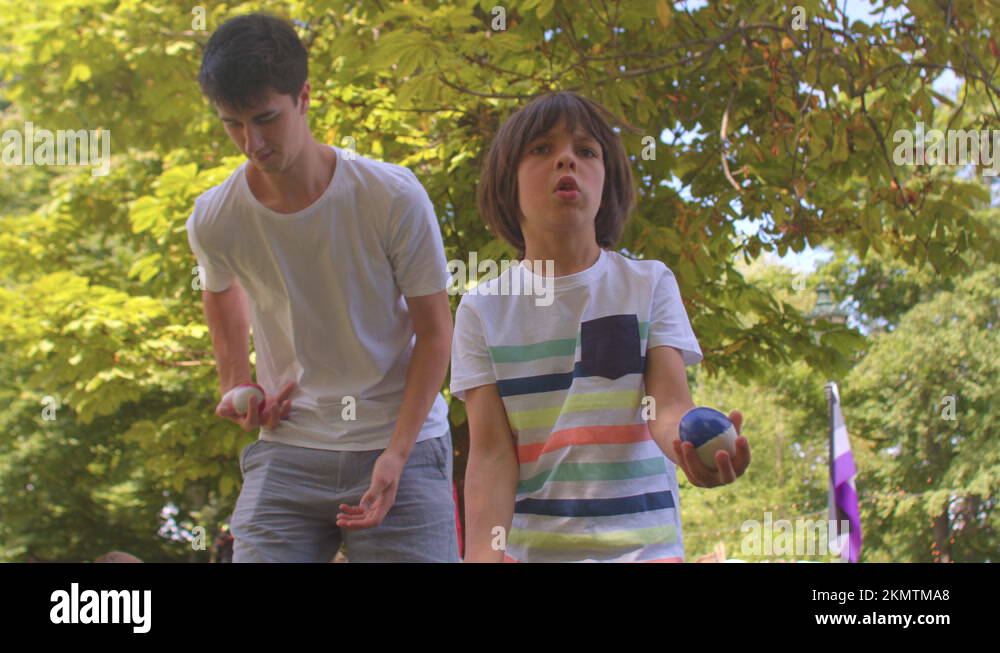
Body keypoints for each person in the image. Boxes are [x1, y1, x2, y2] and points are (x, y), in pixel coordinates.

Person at [187, 13, 458, 563]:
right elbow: (219, 289)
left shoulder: (391, 196)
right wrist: (236, 381)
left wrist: (397, 456)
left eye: (266, 119)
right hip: (289, 447)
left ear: (304, 97)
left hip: (400, 443)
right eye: (232, 124)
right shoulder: (216, 217)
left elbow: (435, 333)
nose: (252, 143)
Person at [451, 91, 751, 562]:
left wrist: (690, 450)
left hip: (645, 552)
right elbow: (490, 457)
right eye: (541, 149)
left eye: (586, 151)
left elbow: (668, 407)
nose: (566, 159)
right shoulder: (481, 308)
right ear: (507, 184)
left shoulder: (649, 283)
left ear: (607, 183)